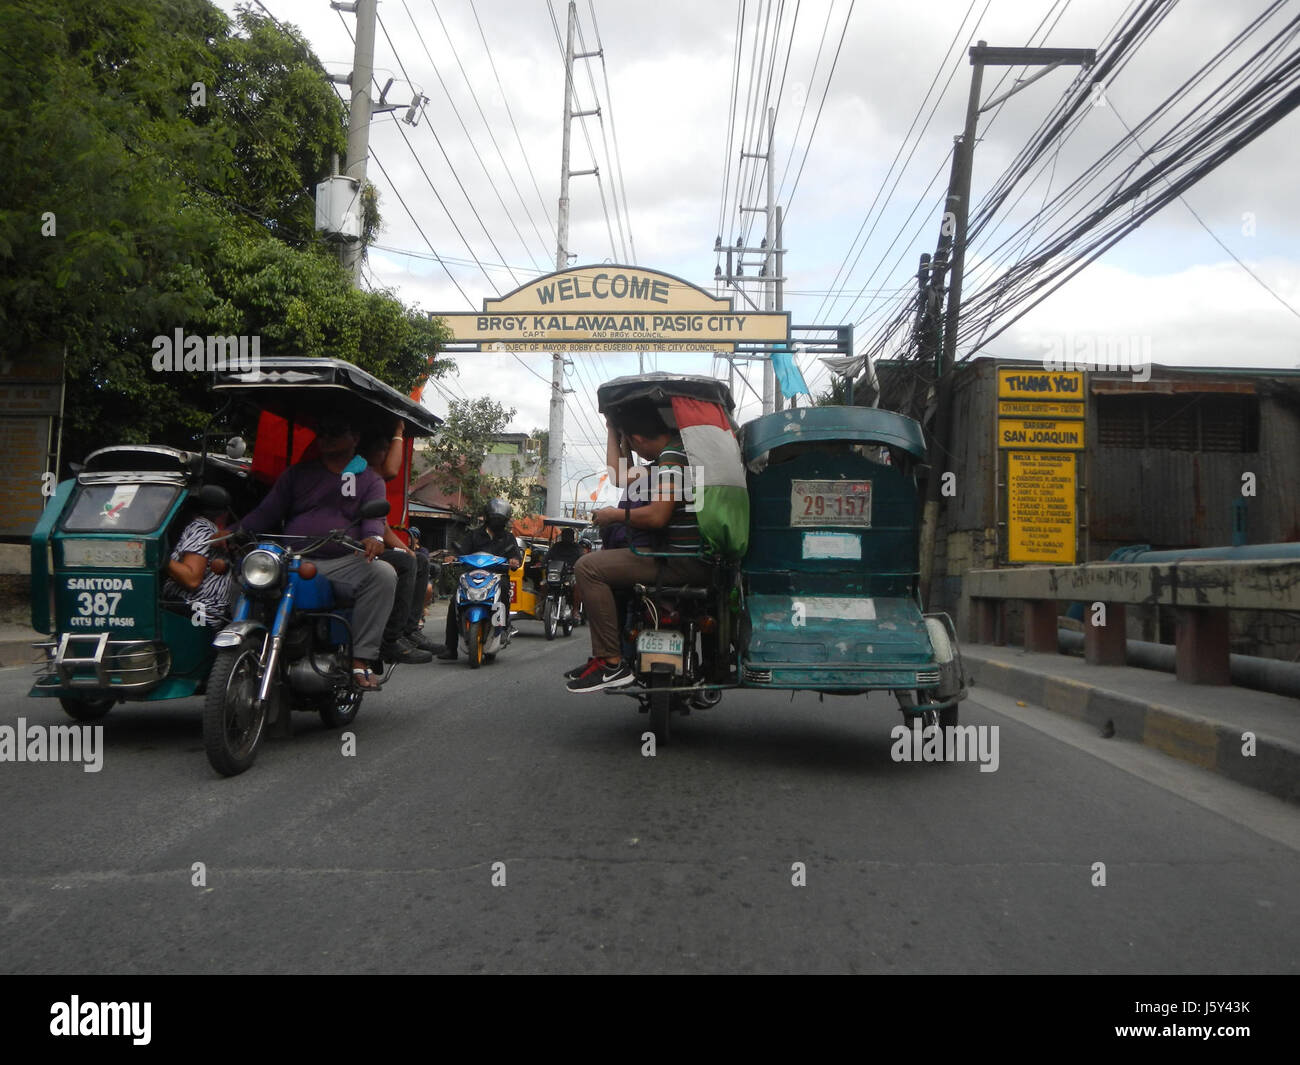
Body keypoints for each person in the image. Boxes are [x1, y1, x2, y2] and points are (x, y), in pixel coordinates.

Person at [235, 410, 398, 691]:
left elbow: (374, 519)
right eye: (322, 432)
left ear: (354, 438)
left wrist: (373, 538)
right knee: (241, 577)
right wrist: (234, 531)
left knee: (383, 574)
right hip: (290, 559)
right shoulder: (297, 475)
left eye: (335, 431)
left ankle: (360, 660)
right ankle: (239, 651)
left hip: (342, 561)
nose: (326, 438)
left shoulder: (370, 479)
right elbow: (266, 512)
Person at [566, 401, 711, 692]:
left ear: (638, 440)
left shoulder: (672, 458)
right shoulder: (678, 454)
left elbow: (658, 517)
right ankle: (608, 657)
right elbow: (621, 476)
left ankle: (611, 663)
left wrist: (615, 515)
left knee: (588, 567)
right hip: (684, 557)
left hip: (677, 561)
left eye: (629, 441)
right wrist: (612, 429)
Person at [358, 429, 442, 660]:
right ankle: (390, 638)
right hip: (355, 548)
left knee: (419, 559)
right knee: (406, 562)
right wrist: (397, 430)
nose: (388, 455)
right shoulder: (361, 477)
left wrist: (406, 548)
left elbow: (382, 526)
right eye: (385, 450)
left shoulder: (373, 480)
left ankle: (410, 629)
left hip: (372, 544)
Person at [436, 497, 523, 661]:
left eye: (500, 520)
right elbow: (461, 551)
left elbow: (515, 556)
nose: (497, 522)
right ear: (488, 517)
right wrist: (452, 557)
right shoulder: (473, 535)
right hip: (471, 575)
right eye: (495, 519)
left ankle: (504, 628)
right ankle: (450, 648)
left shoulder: (508, 538)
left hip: (497, 575)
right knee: (454, 602)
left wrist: (514, 561)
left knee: (505, 589)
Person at [164, 500, 232, 627]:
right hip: (186, 609)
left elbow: (191, 579)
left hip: (194, 612)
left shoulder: (201, 527)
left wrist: (157, 555)